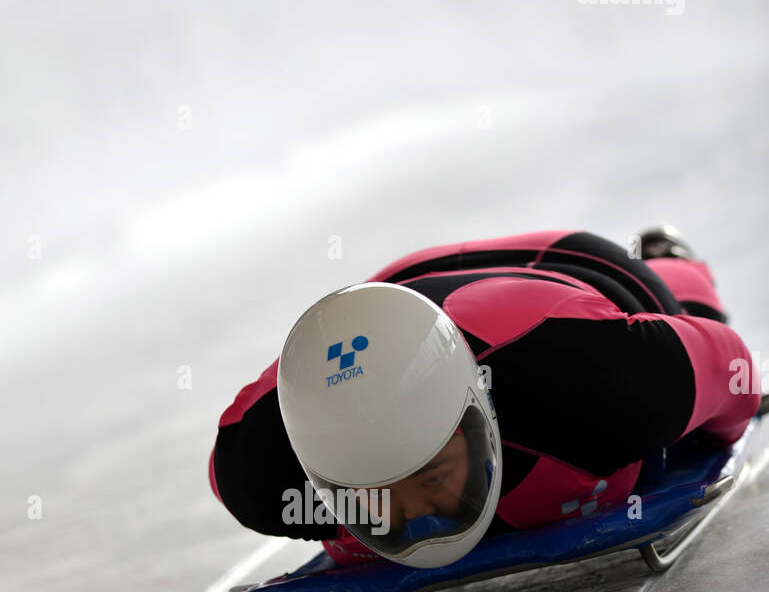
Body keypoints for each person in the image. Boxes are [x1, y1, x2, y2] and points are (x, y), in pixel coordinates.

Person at [208, 229, 759, 569]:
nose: (416, 517)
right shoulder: (258, 469)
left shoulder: (605, 386)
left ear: (477, 419)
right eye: (375, 496)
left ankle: (672, 266)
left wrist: (714, 431)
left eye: (430, 477)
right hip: (383, 300)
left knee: (685, 331)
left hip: (565, 267)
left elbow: (729, 365)